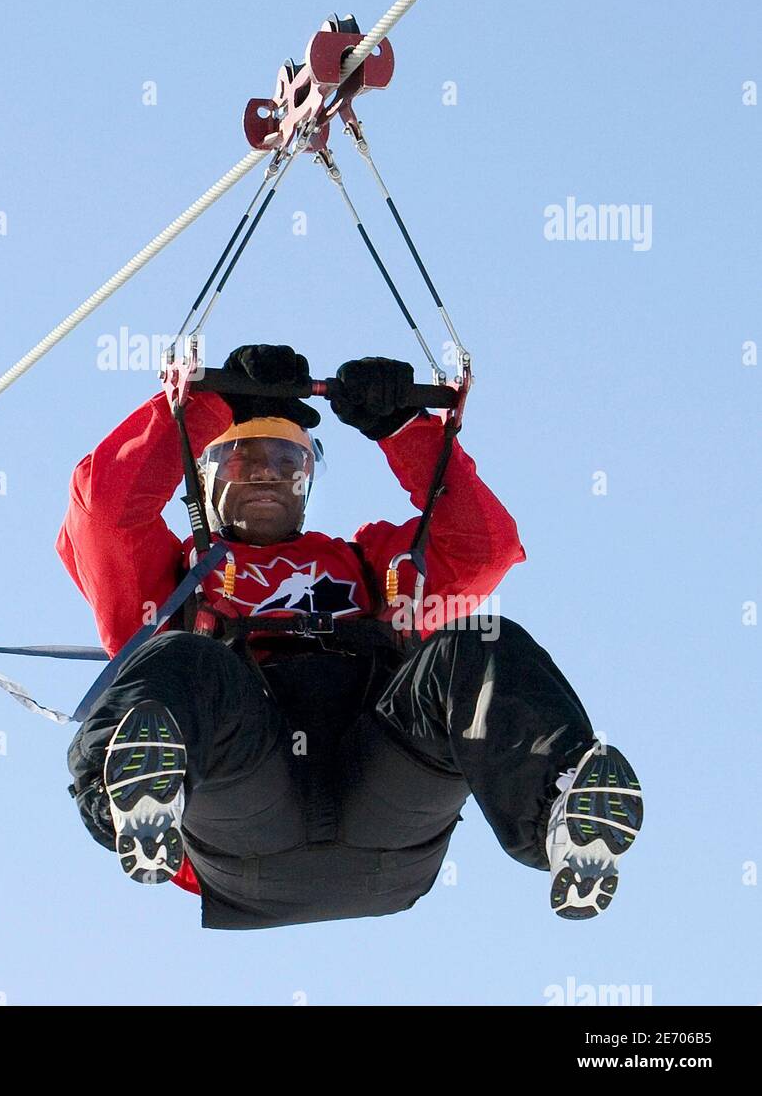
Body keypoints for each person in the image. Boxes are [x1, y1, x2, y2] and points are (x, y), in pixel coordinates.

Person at [57, 345, 643, 930]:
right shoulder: (170, 579)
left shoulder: (371, 568)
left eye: (288, 461)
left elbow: (482, 547)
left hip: (384, 805)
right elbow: (103, 513)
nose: (266, 471)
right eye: (241, 458)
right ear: (205, 479)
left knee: (479, 641)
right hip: (249, 822)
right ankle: (135, 802)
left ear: (307, 479)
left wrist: (406, 430)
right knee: (180, 655)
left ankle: (563, 820)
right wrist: (209, 404)